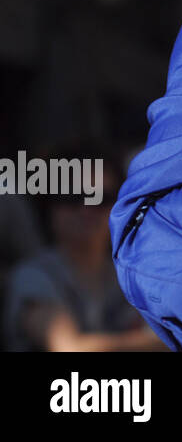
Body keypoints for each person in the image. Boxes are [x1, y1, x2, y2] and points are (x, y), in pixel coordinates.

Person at [5, 146, 163, 352]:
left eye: (100, 197)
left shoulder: (131, 274)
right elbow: (70, 349)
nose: (86, 209)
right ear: (49, 207)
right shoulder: (33, 275)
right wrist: (157, 342)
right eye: (72, 197)